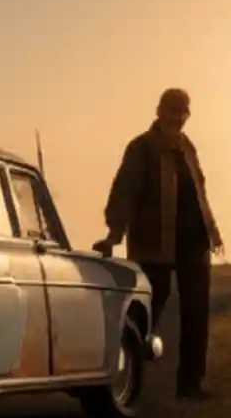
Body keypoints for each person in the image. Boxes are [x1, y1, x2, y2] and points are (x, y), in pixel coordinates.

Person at [93, 88, 223, 400]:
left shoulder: (187, 147)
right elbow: (124, 191)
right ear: (159, 111)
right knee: (146, 312)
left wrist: (213, 231)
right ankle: (124, 379)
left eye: (183, 111)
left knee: (197, 312)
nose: (177, 117)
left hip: (194, 242)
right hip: (154, 243)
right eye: (172, 110)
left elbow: (200, 193)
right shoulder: (141, 148)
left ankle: (191, 385)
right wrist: (114, 234)